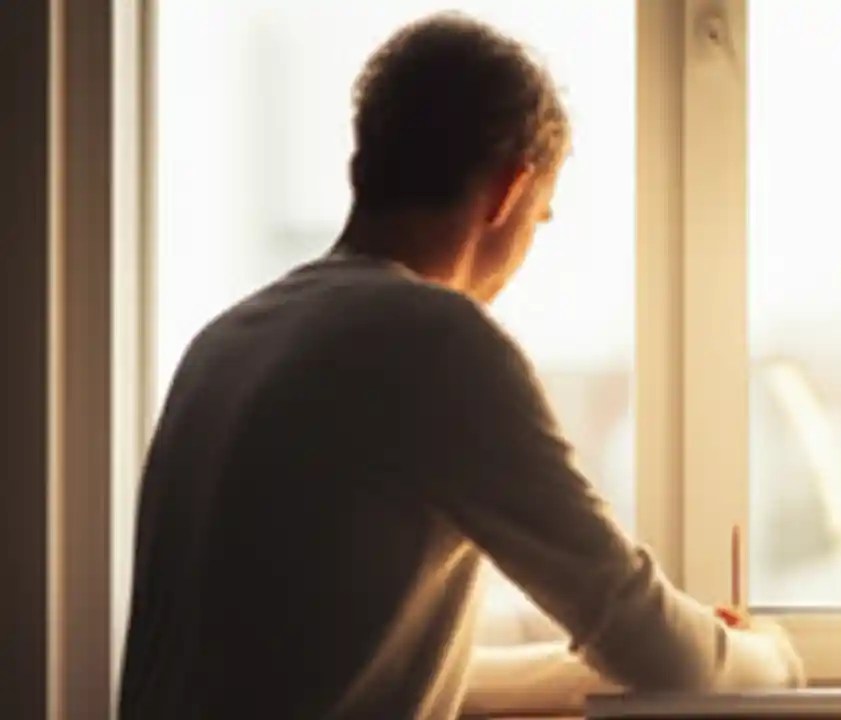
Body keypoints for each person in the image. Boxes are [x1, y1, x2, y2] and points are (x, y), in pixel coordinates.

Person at [118, 12, 804, 720]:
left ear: (366, 163)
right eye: (540, 219)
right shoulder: (434, 340)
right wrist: (773, 658)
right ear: (510, 190)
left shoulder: (229, 341)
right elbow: (654, 645)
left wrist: (591, 670)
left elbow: (367, 670)